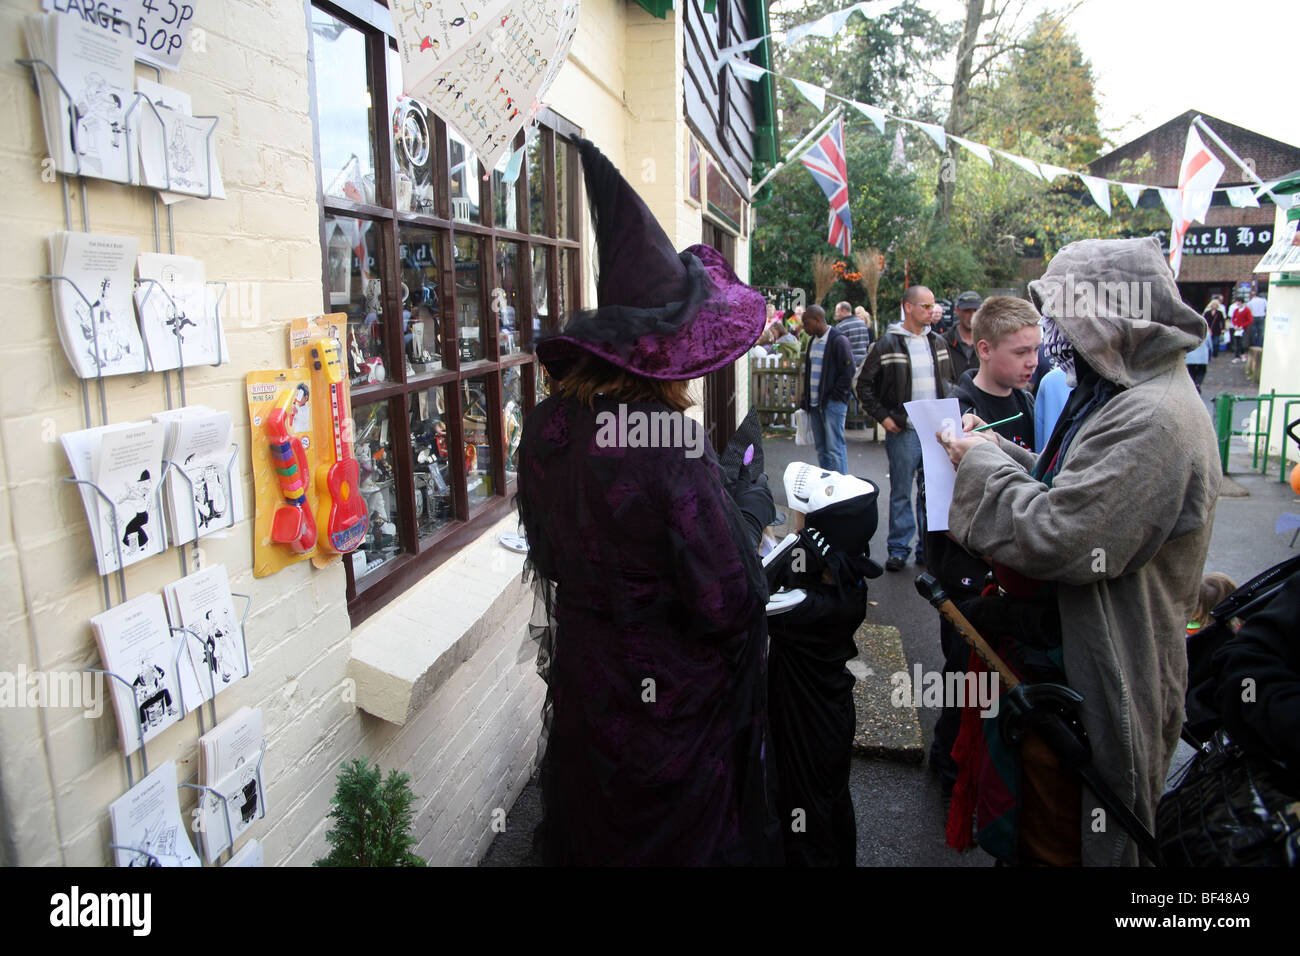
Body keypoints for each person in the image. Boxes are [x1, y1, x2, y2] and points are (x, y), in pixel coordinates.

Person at [515, 139, 781, 866]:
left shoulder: (545, 425)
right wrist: (748, 518)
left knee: (596, 822)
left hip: (587, 673)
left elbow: (546, 547)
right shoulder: (670, 444)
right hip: (666, 699)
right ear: (667, 358)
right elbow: (725, 602)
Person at [936, 236, 1221, 866]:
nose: (1056, 341)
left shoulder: (1153, 417)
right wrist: (998, 455)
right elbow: (1077, 488)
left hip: (1098, 689)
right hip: (1063, 681)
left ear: (1108, 316)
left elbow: (1063, 534)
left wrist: (982, 460)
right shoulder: (1128, 392)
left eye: (1064, 320)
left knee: (1070, 851)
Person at [924, 296, 1038, 792]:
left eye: (1036, 349)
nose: (1033, 361)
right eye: (1020, 352)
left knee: (995, 673)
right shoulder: (952, 409)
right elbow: (941, 504)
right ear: (985, 349)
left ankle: (979, 761)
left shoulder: (1026, 401)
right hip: (964, 568)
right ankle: (948, 765)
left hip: (1008, 563)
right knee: (963, 670)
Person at [855, 285, 956, 571]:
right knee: (901, 491)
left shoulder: (938, 343)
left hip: (937, 432)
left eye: (932, 305)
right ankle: (899, 548)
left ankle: (928, 549)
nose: (932, 311)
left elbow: (950, 382)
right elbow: (862, 384)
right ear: (908, 307)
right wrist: (884, 418)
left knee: (934, 491)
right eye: (925, 306)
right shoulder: (887, 344)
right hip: (905, 431)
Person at [799, 305, 854, 474]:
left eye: (806, 323)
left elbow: (849, 372)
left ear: (817, 320)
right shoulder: (812, 341)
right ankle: (827, 483)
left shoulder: (838, 340)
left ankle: (840, 486)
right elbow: (809, 373)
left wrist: (834, 397)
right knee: (822, 447)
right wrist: (806, 399)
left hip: (832, 404)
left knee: (835, 447)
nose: (804, 328)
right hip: (815, 404)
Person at [944, 290, 981, 381]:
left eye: (976, 310)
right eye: (967, 311)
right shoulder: (943, 342)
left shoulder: (989, 343)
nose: (972, 315)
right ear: (957, 311)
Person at [832, 300, 871, 369]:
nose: (835, 314)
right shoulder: (862, 324)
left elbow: (839, 348)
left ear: (843, 311)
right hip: (863, 363)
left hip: (849, 364)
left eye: (837, 311)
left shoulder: (841, 326)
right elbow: (867, 342)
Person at [1230, 294, 1253, 361]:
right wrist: (1235, 325)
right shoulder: (1236, 310)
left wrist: (1243, 326)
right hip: (1237, 329)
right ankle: (1237, 356)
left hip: (1243, 329)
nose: (1237, 303)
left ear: (1241, 302)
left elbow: (1250, 320)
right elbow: (1233, 319)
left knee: (1242, 343)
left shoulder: (1246, 310)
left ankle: (1243, 354)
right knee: (1236, 343)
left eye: (1238, 302)